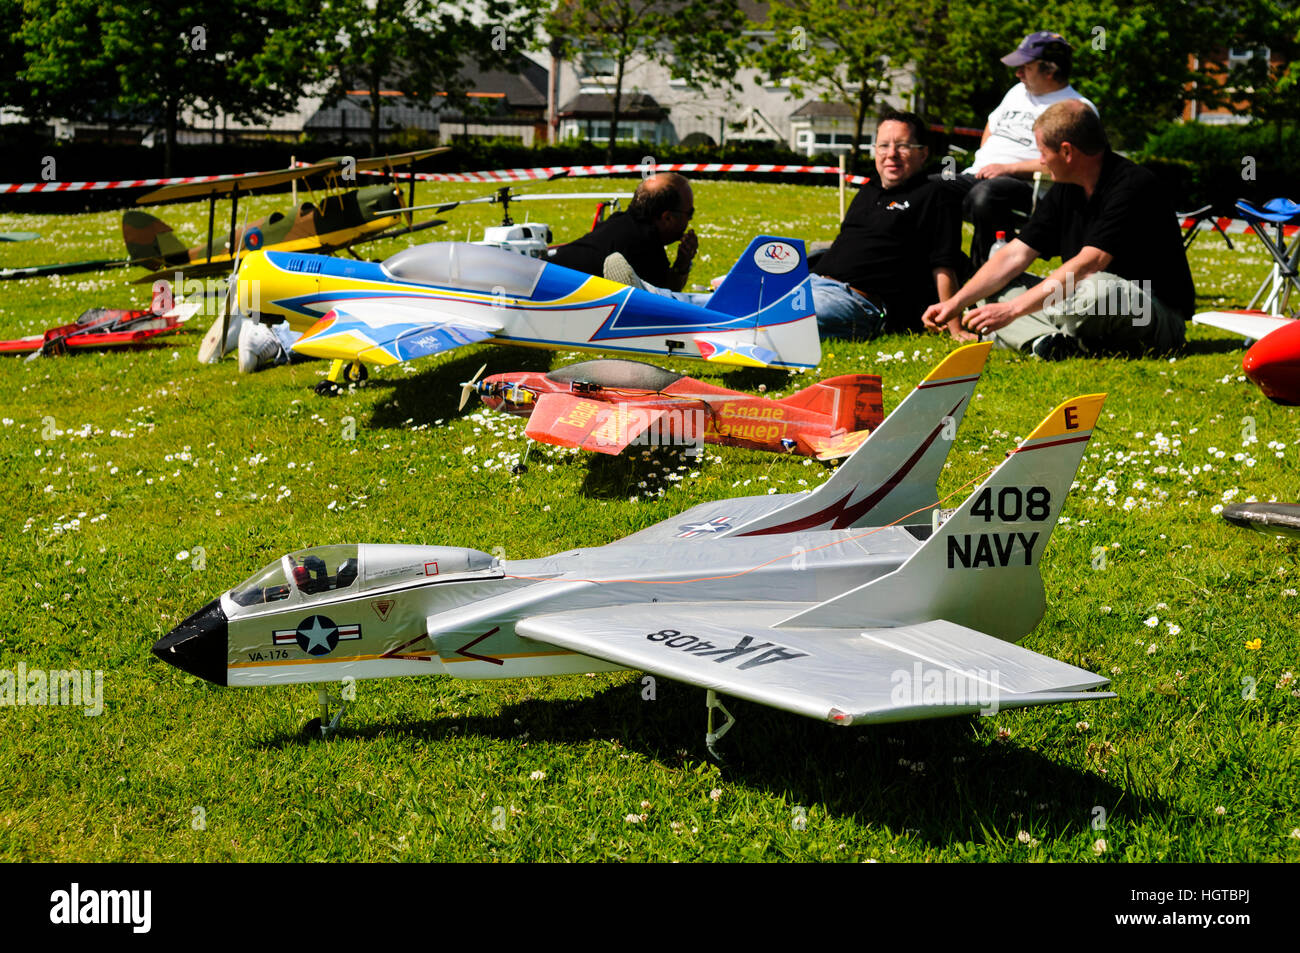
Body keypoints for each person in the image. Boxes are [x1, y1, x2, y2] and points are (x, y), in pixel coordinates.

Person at [920, 100, 1194, 358]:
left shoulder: (1134, 185)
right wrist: (954, 303)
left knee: (1098, 289)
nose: (1040, 161)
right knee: (994, 286)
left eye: (1042, 152)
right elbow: (1015, 255)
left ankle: (1026, 332)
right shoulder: (1067, 188)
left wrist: (1013, 310)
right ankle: (1047, 343)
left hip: (1151, 311)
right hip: (1078, 304)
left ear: (1066, 151)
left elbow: (1091, 263)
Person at [935, 31, 1097, 267]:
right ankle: (945, 267)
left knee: (984, 196)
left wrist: (1008, 168)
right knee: (929, 189)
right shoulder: (1016, 92)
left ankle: (989, 273)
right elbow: (992, 126)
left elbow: (1070, 162)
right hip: (981, 174)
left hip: (1029, 187)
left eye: (1026, 67)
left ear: (1050, 70)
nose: (1017, 73)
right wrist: (986, 161)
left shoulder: (1077, 109)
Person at [810, 109, 963, 338]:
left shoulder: (935, 195)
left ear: (923, 154)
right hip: (811, 284)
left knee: (790, 318)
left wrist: (956, 328)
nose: (891, 154)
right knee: (752, 295)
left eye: (902, 146)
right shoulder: (868, 191)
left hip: (858, 302)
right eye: (883, 146)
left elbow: (944, 265)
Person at [548, 172, 697, 292]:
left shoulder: (619, 222)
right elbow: (664, 302)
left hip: (547, 278)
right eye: (689, 213)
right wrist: (682, 263)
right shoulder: (644, 245)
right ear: (667, 217)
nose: (689, 220)